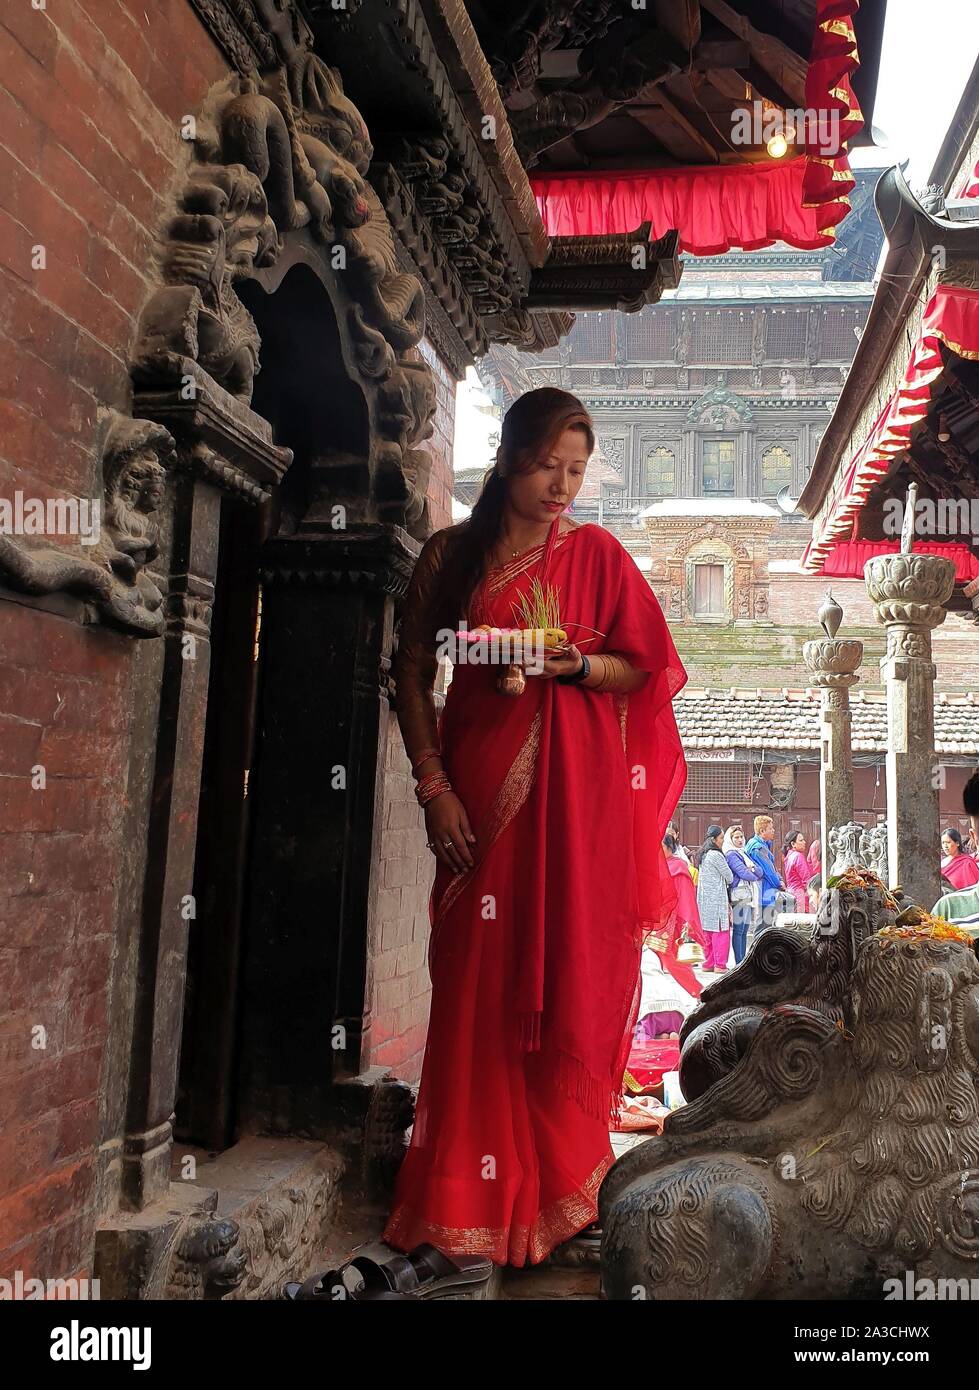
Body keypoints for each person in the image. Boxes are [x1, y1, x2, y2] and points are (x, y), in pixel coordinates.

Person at [384, 387, 687, 1266]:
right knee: (477, 982)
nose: (562, 484)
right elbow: (410, 674)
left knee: (565, 976)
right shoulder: (452, 555)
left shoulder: (594, 554)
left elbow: (647, 667)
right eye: (548, 463)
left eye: (577, 470)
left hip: (571, 816)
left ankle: (556, 1195)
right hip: (475, 799)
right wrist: (432, 786)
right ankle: (461, 1200)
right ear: (510, 454)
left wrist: (576, 664)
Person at [657, 833, 707, 996]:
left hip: (670, 923)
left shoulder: (678, 867)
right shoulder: (657, 865)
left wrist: (687, 923)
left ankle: (699, 992)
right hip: (653, 921)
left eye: (661, 846)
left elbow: (685, 898)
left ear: (669, 847)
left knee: (674, 961)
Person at [696, 824, 734, 972]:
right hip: (717, 899)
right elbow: (729, 877)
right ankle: (720, 964)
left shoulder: (702, 854)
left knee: (707, 931)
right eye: (721, 838)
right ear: (714, 839)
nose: (723, 841)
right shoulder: (716, 855)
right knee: (721, 932)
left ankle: (707, 963)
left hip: (704, 899)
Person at [723, 825, 763, 965]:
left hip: (748, 894)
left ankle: (743, 960)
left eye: (741, 836)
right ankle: (739, 961)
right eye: (736, 837)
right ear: (730, 839)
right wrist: (751, 871)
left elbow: (760, 871)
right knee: (739, 930)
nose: (740, 840)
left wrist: (752, 869)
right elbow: (744, 873)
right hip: (739, 895)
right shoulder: (731, 854)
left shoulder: (743, 852)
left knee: (745, 929)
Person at [745, 815, 784, 935]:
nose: (773, 831)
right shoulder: (759, 848)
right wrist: (779, 883)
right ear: (762, 831)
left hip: (763, 889)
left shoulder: (758, 844)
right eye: (770, 828)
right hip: (765, 890)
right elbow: (769, 871)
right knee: (763, 926)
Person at [782, 829, 811, 910]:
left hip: (791, 893)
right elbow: (807, 879)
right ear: (793, 844)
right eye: (801, 840)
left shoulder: (788, 856)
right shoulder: (798, 856)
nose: (804, 842)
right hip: (800, 895)